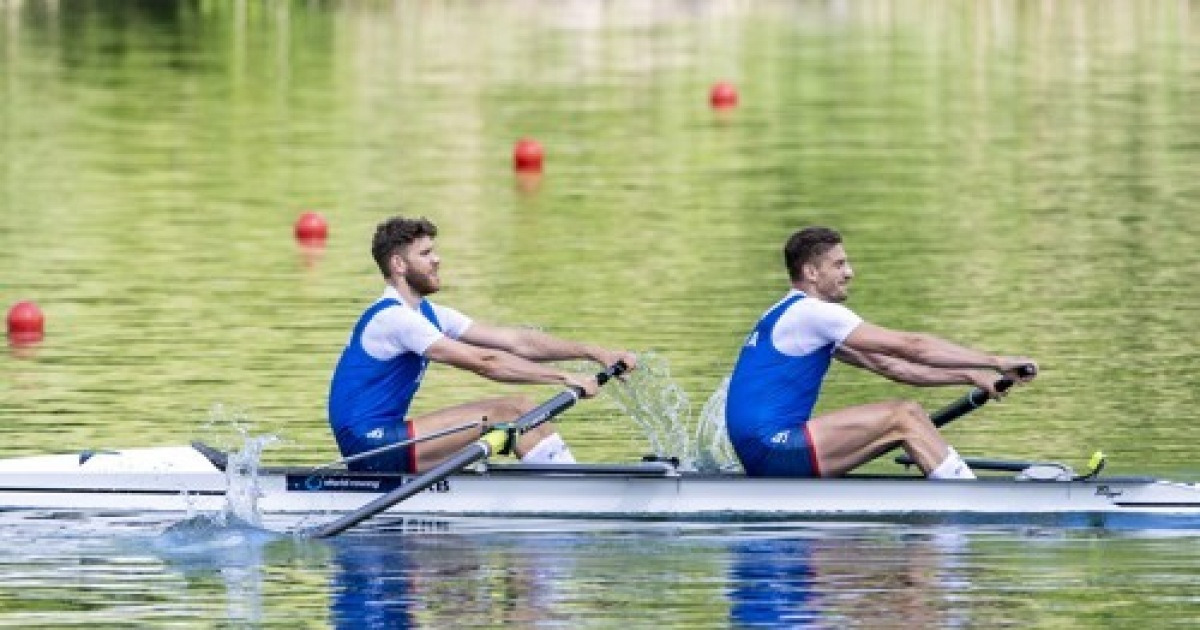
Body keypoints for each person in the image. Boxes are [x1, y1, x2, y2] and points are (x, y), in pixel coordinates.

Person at [328, 216, 636, 473]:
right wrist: (564, 377)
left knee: (522, 409)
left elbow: (517, 342)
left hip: (388, 438)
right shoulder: (394, 319)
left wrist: (594, 352)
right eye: (425, 254)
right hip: (368, 445)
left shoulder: (432, 315)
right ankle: (570, 494)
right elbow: (485, 362)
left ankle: (566, 480)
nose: (437, 259)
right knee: (512, 410)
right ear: (398, 264)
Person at [725, 226, 1036, 479]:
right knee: (904, 416)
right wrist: (997, 361)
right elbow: (914, 348)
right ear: (811, 273)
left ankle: (953, 485)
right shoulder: (814, 314)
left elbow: (895, 368)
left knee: (905, 416)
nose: (850, 273)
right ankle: (968, 495)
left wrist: (970, 375)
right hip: (774, 448)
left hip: (762, 449)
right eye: (839, 264)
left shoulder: (785, 312)